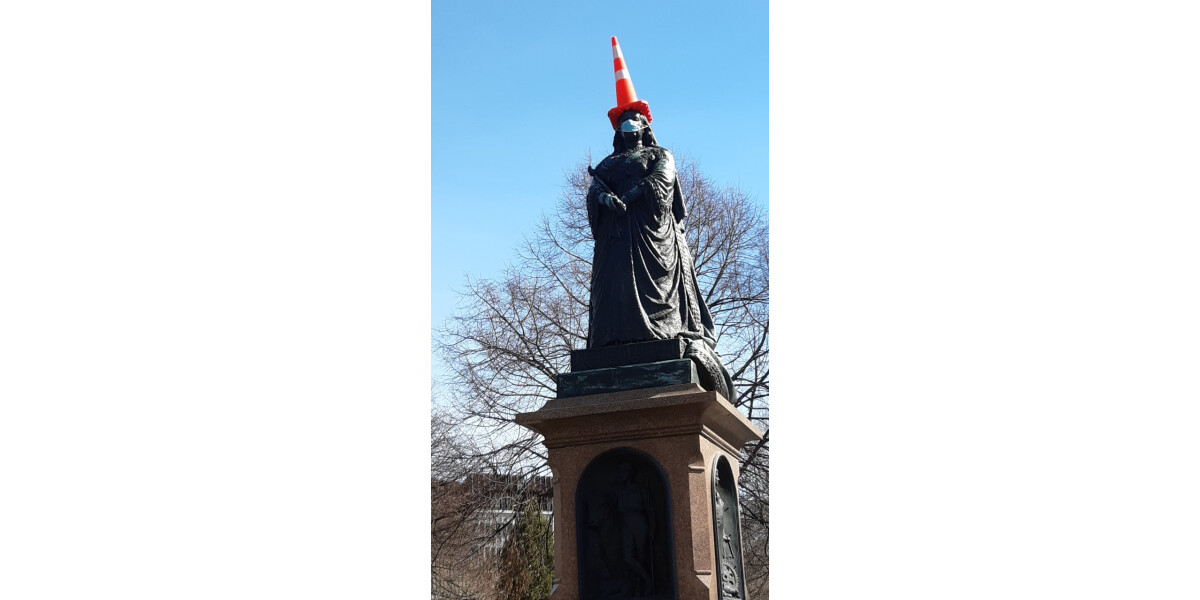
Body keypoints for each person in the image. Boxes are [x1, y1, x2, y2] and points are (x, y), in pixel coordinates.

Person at [586, 109, 735, 399]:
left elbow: (662, 181)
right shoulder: (606, 164)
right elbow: (594, 191)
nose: (628, 125)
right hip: (614, 239)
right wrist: (605, 197)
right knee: (614, 287)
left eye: (634, 120)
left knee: (654, 282)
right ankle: (613, 341)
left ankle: (659, 334)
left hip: (649, 231)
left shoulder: (659, 154)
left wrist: (628, 197)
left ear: (644, 127)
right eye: (623, 122)